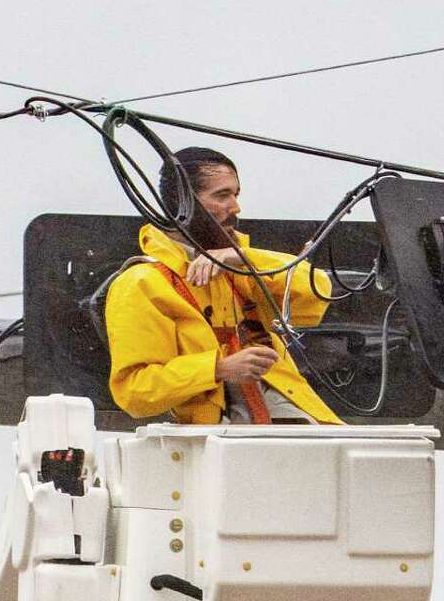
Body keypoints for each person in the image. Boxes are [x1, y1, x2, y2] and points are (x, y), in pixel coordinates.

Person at [103, 147, 341, 425]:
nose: (236, 207)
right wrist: (218, 368)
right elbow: (135, 391)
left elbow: (317, 291)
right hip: (218, 440)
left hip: (289, 423)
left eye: (236, 194)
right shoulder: (141, 283)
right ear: (182, 203)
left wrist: (245, 259)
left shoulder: (238, 267)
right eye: (222, 195)